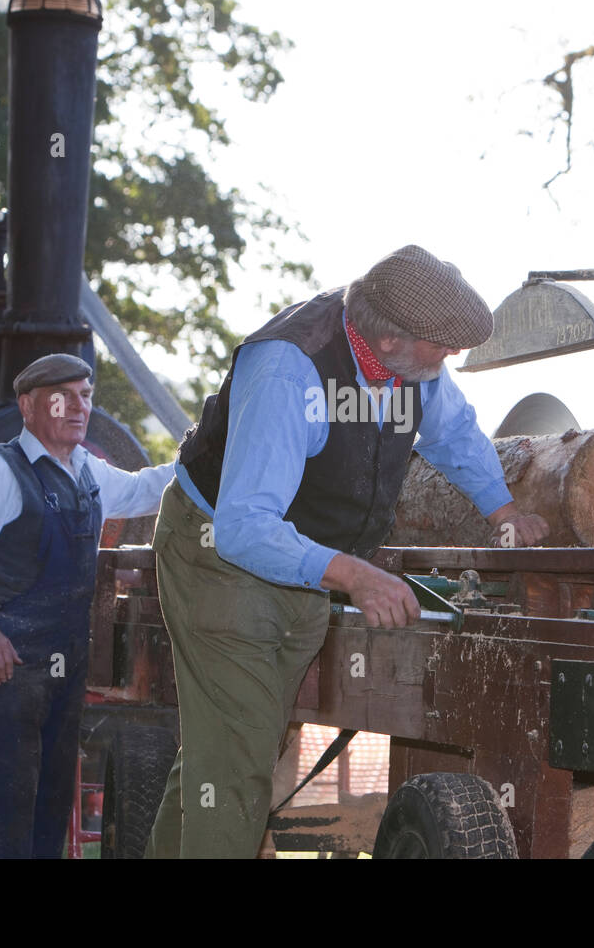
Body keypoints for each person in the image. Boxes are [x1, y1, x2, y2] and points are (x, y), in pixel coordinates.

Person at [145, 244, 549, 858]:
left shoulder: (413, 368)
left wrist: (505, 511)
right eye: (441, 345)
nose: (451, 358)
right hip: (217, 559)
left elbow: (455, 434)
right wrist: (355, 575)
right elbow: (244, 528)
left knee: (231, 749)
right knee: (238, 759)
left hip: (306, 564)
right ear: (389, 341)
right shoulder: (290, 369)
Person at [0, 353, 176, 858]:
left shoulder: (86, 471)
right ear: (28, 406)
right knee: (3, 805)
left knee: (50, 802)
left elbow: (148, 488)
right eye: (64, 396)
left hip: (63, 667)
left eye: (86, 395)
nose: (79, 407)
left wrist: (205, 456)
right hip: (6, 666)